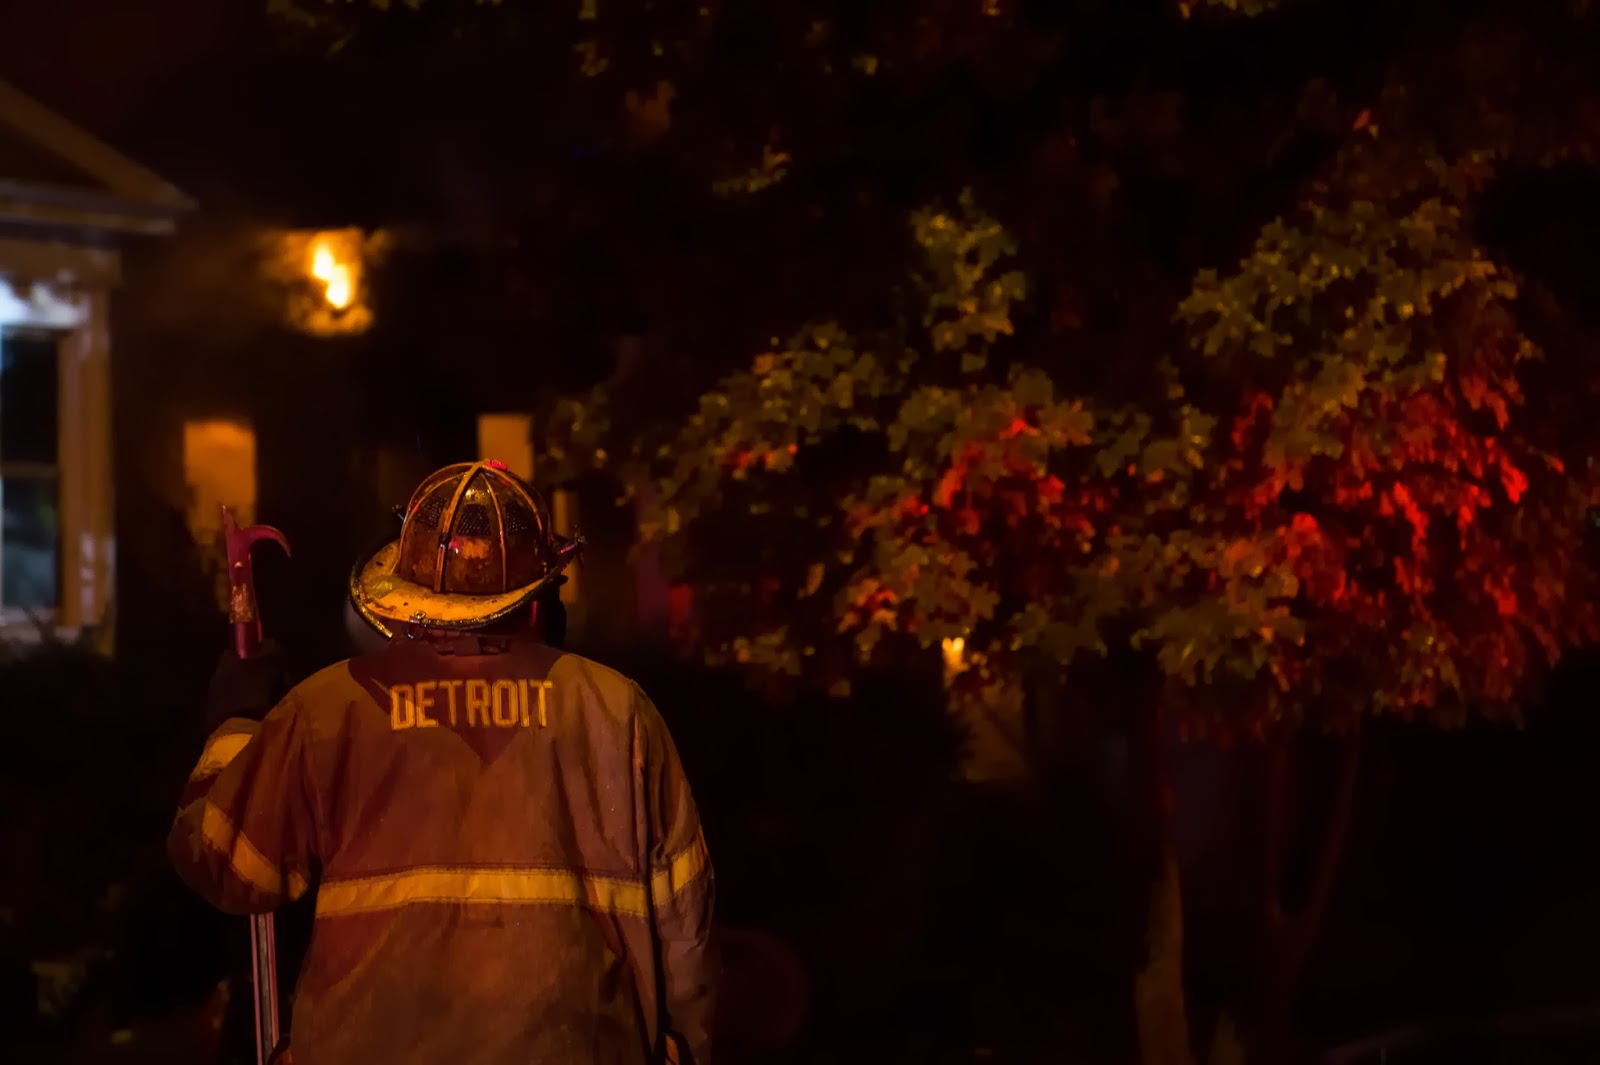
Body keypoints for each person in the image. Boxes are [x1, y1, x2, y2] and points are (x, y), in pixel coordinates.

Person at [168, 460, 718, 1065]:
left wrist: (239, 721)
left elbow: (221, 862)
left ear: (408, 597)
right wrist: (682, 1050)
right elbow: (685, 925)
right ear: (539, 601)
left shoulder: (329, 709)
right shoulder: (618, 711)